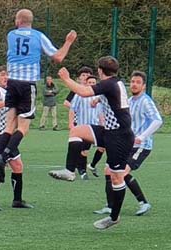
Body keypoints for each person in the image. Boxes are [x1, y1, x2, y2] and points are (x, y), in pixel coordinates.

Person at [50, 56, 133, 230]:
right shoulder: (114, 83)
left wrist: (66, 78)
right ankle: (70, 171)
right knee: (76, 130)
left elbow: (83, 91)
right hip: (109, 131)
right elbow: (107, 98)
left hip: (119, 137)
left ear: (100, 71)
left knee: (116, 176)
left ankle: (114, 217)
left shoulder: (109, 84)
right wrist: (99, 100)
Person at [0, 9, 77, 171]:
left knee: (9, 126)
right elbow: (58, 57)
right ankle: (4, 157)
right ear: (31, 22)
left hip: (12, 83)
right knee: (23, 128)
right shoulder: (38, 36)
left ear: (18, 21)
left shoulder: (11, 35)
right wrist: (68, 41)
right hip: (27, 84)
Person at [92, 71, 160, 216]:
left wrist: (142, 136)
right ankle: (110, 206)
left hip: (141, 145)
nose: (134, 84)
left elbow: (157, 120)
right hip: (127, 143)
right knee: (110, 171)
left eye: (138, 82)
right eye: (133, 81)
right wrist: (98, 99)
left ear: (143, 86)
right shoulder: (129, 100)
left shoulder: (146, 101)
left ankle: (143, 203)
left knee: (121, 173)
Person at [0, 66, 33, 211]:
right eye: (3, 75)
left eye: (8, 75)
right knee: (0, 164)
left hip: (8, 135)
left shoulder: (13, 91)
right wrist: (9, 101)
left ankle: (17, 200)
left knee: (17, 166)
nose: (6, 77)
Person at [63, 75, 104, 180]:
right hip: (82, 128)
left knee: (87, 150)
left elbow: (100, 113)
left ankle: (83, 168)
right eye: (89, 83)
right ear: (86, 84)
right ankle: (82, 171)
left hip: (93, 128)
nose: (91, 84)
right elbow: (72, 109)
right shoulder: (80, 95)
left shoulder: (99, 97)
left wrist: (102, 124)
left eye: (93, 83)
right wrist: (71, 123)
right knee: (82, 151)